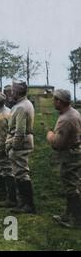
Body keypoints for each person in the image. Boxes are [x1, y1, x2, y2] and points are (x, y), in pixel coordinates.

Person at [46, 89, 81, 228]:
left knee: (71, 187)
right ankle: (69, 215)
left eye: (54, 99)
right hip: (75, 152)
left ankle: (76, 220)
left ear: (59, 101)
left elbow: (57, 144)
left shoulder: (66, 119)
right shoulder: (74, 113)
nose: (53, 102)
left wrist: (49, 134)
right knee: (73, 185)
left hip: (69, 156)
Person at [6, 81, 36, 214]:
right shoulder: (26, 104)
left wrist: (13, 147)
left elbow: (19, 132)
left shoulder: (21, 107)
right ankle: (23, 202)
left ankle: (27, 205)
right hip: (23, 142)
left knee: (21, 173)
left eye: (13, 91)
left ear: (18, 92)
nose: (11, 93)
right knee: (20, 172)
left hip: (20, 144)